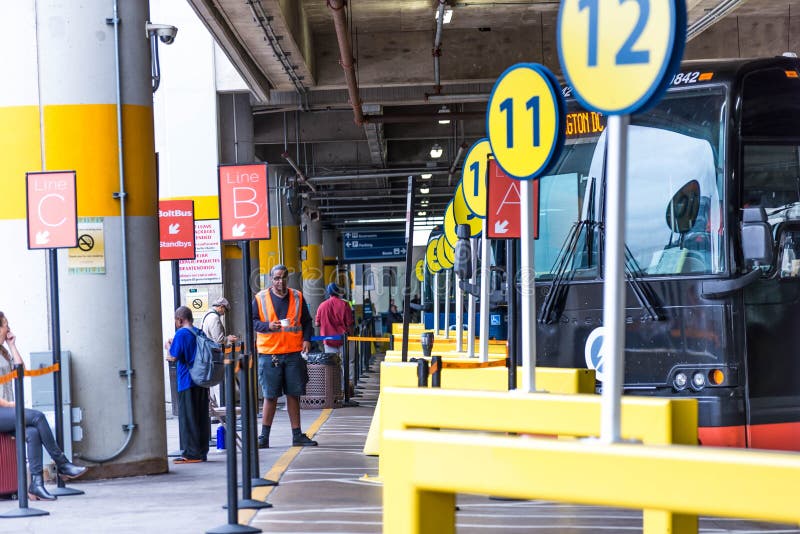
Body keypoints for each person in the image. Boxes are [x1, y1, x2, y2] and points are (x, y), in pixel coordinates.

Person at [0, 311, 87, 500]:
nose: (9, 327)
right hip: (2, 409)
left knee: (32, 432)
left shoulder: (3, 352)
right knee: (38, 417)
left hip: (7, 410)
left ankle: (36, 485)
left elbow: (19, 368)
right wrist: (9, 404)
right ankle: (62, 464)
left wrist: (12, 345)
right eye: (6, 324)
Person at [253, 264, 317, 448]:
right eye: (276, 278)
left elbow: (306, 321)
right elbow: (253, 322)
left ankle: (297, 435)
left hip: (293, 354)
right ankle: (263, 437)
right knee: (270, 396)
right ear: (270, 279)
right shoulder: (260, 299)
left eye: (283, 278)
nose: (279, 281)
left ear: (287, 278)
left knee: (293, 395)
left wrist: (307, 339)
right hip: (270, 354)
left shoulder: (297, 296)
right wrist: (267, 326)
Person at [165, 306, 209, 463]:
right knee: (201, 416)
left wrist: (168, 346)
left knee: (188, 418)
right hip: (202, 381)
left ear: (179, 319)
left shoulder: (181, 333)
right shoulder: (199, 332)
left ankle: (191, 453)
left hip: (187, 381)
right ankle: (202, 451)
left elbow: (173, 357)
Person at [315, 283, 355, 395]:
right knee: (348, 363)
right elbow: (350, 323)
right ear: (337, 292)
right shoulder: (345, 304)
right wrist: (351, 337)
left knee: (333, 365)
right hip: (344, 340)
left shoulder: (322, 306)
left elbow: (317, 323)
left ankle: (336, 389)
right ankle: (348, 388)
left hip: (328, 341)